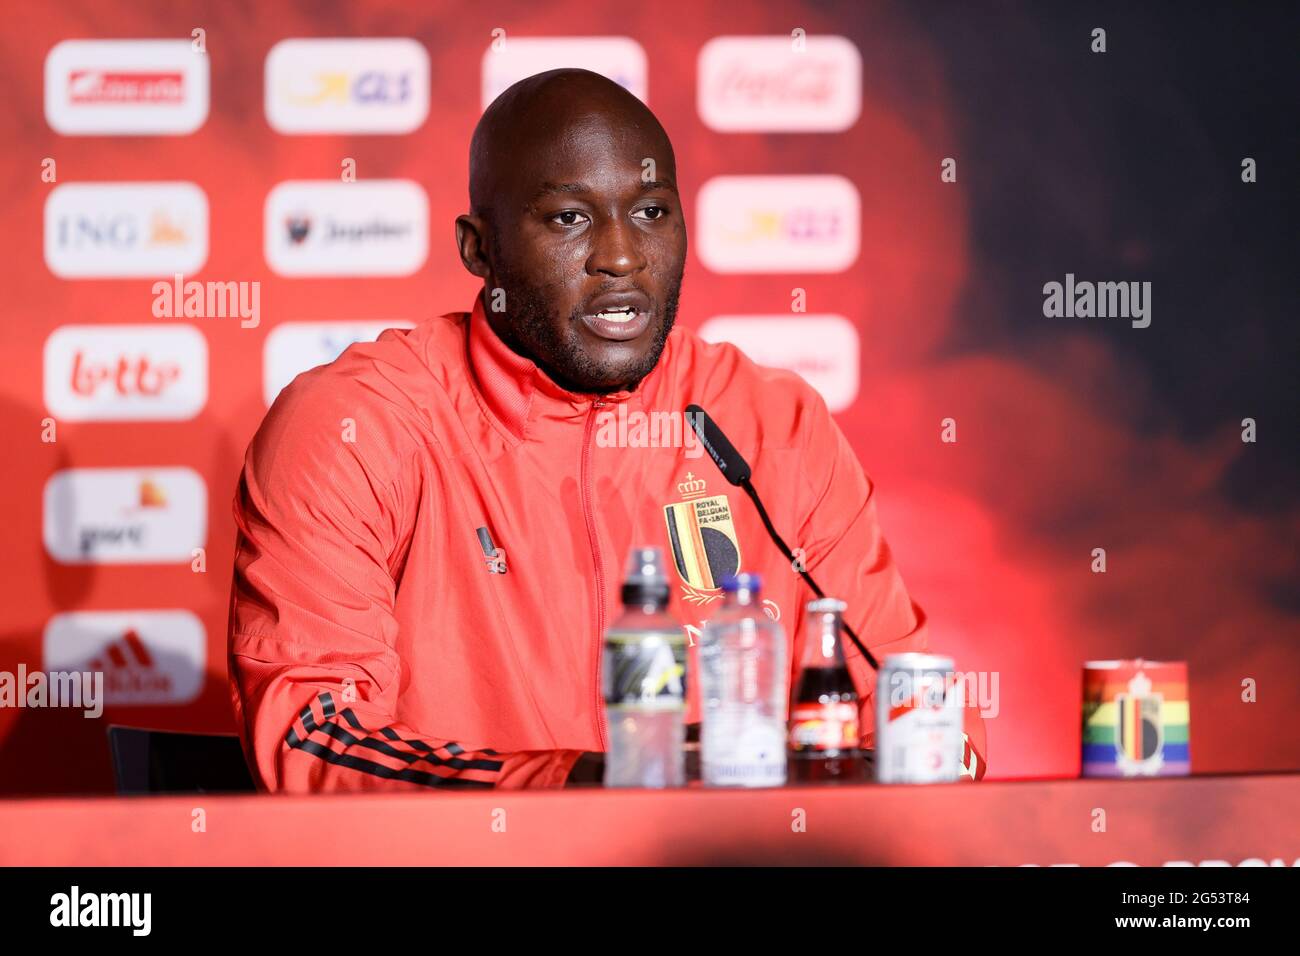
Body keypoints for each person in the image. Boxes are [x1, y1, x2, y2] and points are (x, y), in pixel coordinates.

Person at [227, 68, 988, 791]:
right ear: (479, 249)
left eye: (652, 211)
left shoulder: (772, 425)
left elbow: (921, 725)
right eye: (568, 218)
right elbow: (315, 738)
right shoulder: (357, 426)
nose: (622, 257)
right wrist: (582, 789)